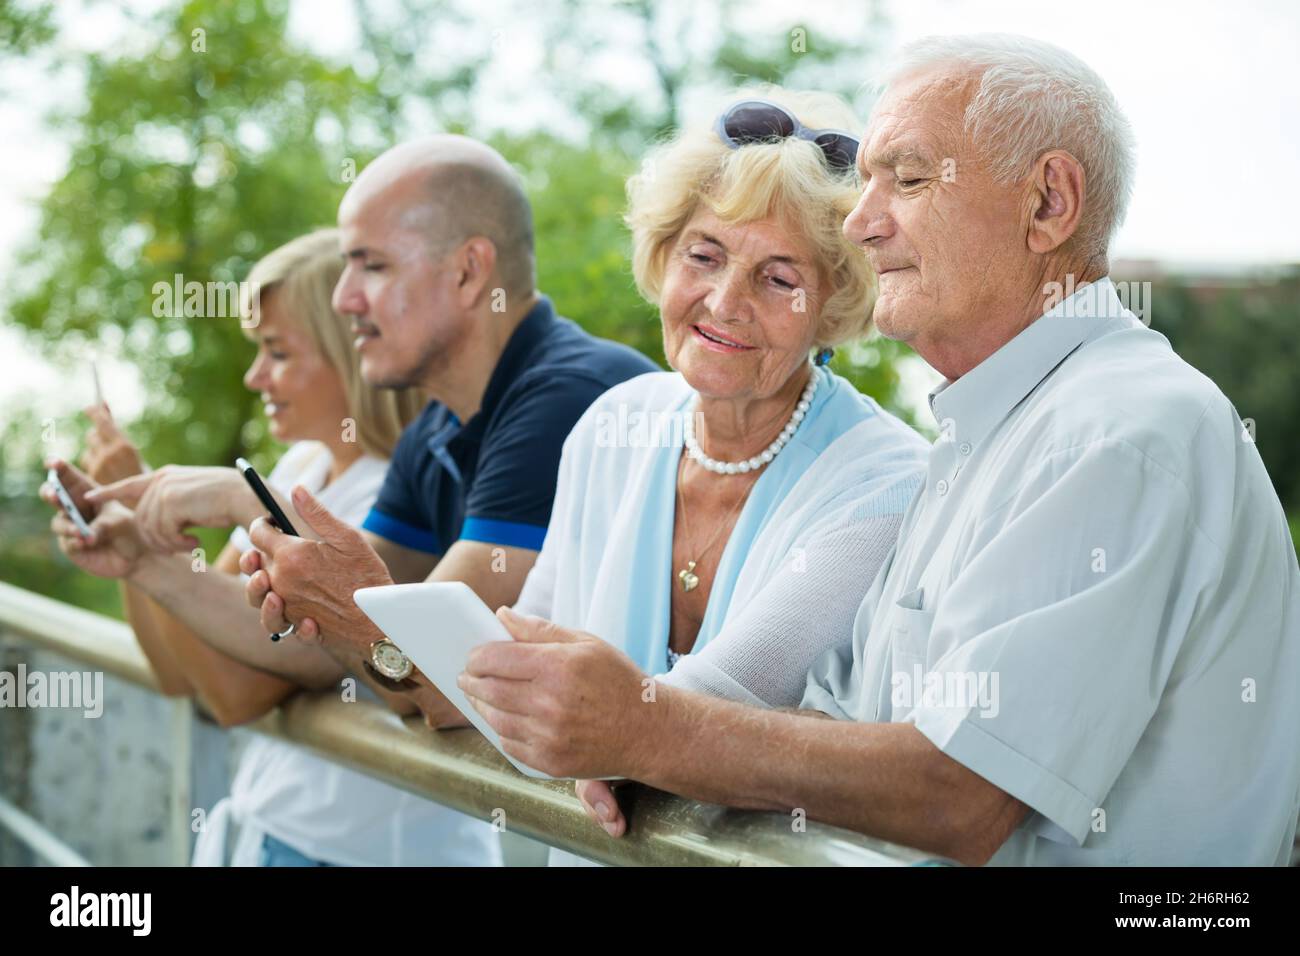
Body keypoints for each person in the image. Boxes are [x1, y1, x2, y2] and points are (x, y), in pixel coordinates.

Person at [458, 34, 1300, 866]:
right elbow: (847, 723)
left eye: (908, 178)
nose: (861, 223)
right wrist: (644, 743)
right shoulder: (987, 436)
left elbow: (962, 792)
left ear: (1048, 203)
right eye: (866, 185)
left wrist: (650, 730)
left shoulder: (1118, 434)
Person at [93, 135, 657, 727]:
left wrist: (245, 499)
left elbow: (436, 679)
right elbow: (327, 644)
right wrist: (143, 557)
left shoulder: (567, 398)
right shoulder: (436, 425)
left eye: (374, 265)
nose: (344, 298)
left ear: (469, 272)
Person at [47, 229, 501, 866]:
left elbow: (235, 695)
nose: (254, 375)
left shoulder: (400, 499)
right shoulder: (302, 467)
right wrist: (136, 543)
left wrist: (154, 557)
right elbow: (182, 675)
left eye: (277, 352)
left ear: (351, 356)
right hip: (273, 831)